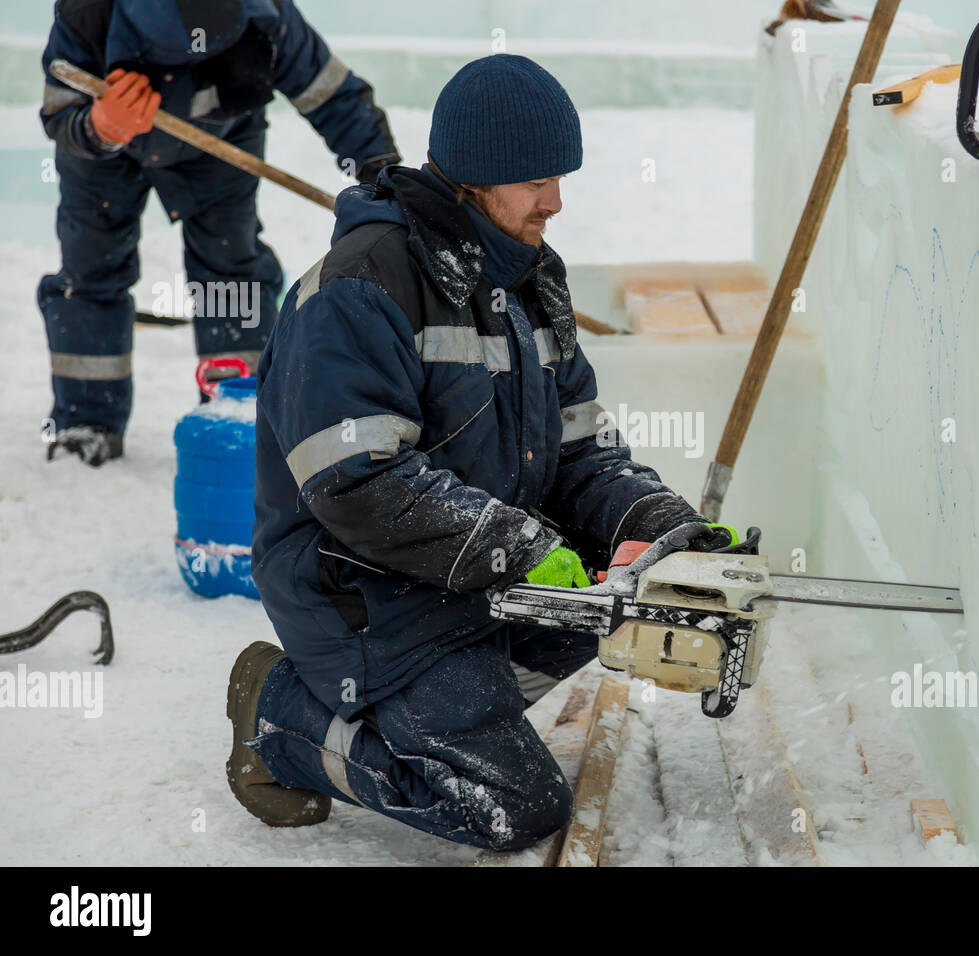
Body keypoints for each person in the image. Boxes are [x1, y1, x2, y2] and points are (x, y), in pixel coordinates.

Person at [226, 53, 738, 848]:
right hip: (361, 592)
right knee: (512, 806)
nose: (556, 202)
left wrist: (662, 530)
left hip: (464, 571)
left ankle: (456, 707)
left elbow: (582, 450)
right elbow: (361, 486)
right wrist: (521, 548)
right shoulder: (359, 290)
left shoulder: (531, 279)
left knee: (609, 599)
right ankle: (284, 718)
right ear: (475, 177)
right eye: (535, 181)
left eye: (559, 179)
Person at [38, 0, 401, 465]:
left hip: (221, 140)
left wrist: (380, 171)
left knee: (231, 271)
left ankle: (242, 406)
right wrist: (98, 127)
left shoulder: (270, 17)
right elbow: (59, 109)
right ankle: (86, 422)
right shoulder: (88, 14)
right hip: (105, 154)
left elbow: (333, 97)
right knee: (90, 270)